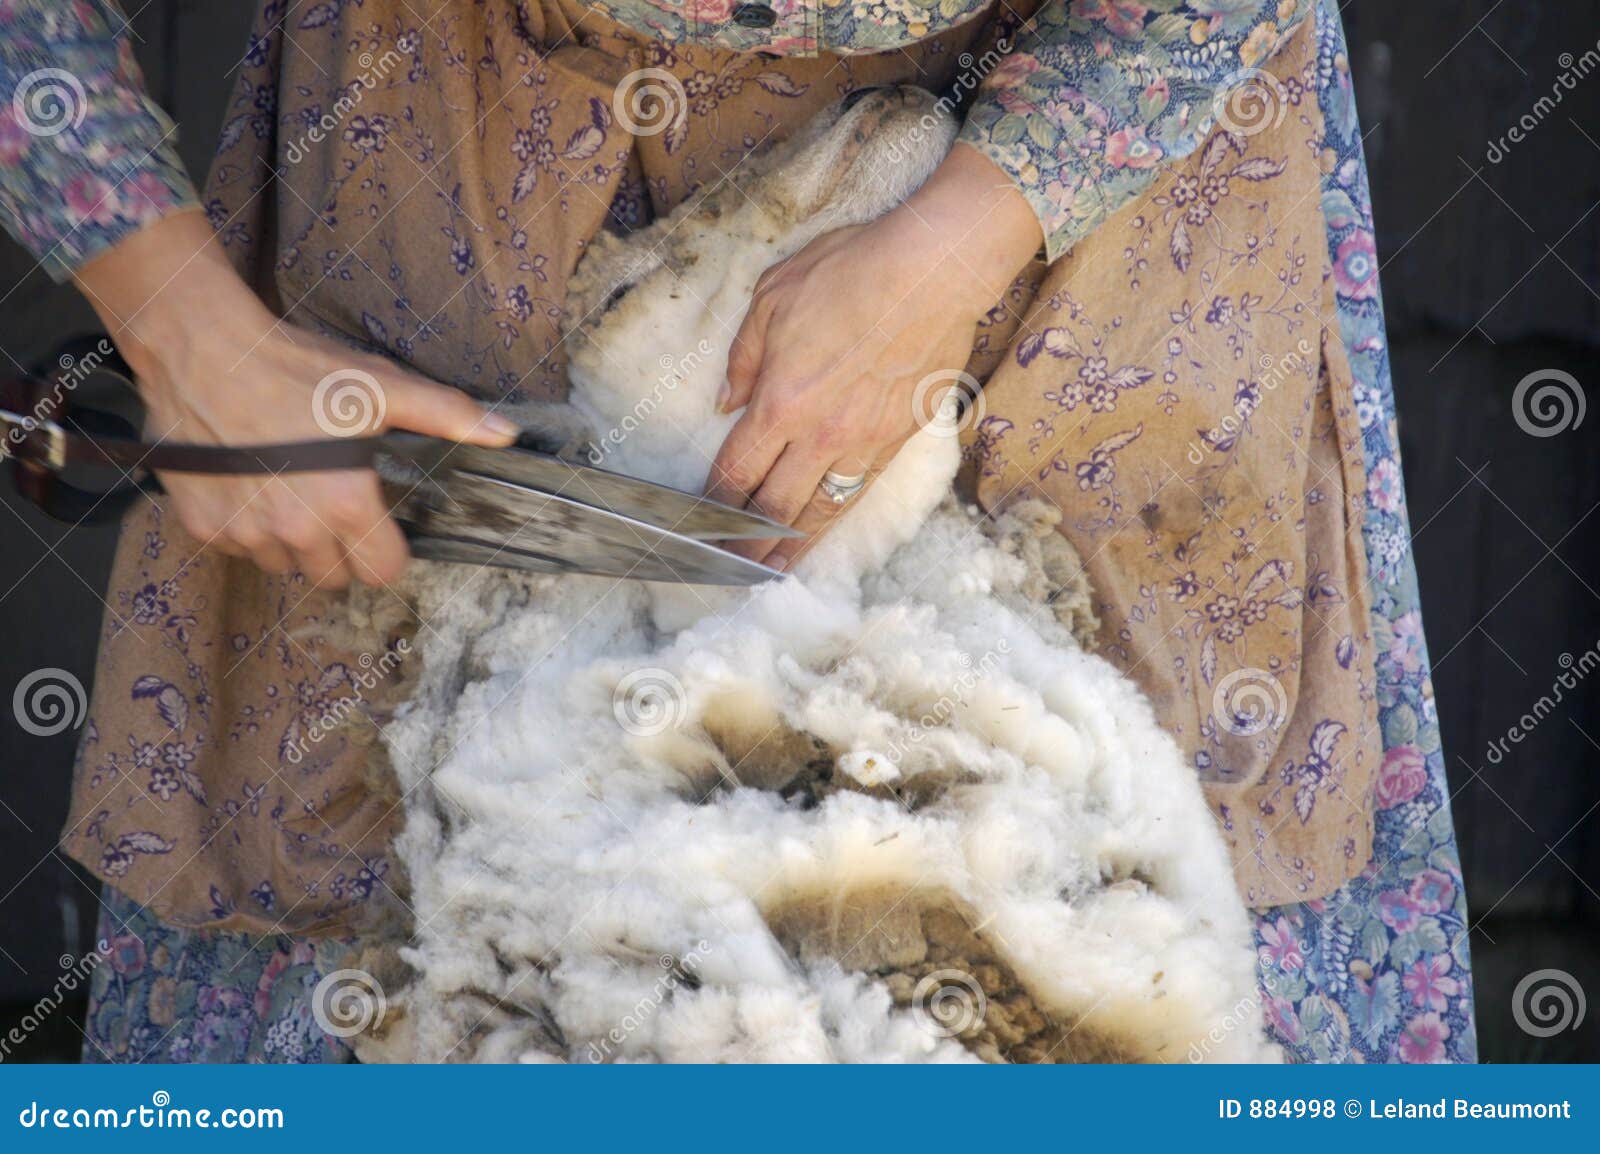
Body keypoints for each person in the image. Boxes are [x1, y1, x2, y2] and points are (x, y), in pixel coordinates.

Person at [0, 0, 1474, 1063]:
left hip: (1093, 183)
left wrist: (963, 229)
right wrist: (181, 329)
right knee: (455, 985)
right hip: (446, 165)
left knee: (1099, 965)